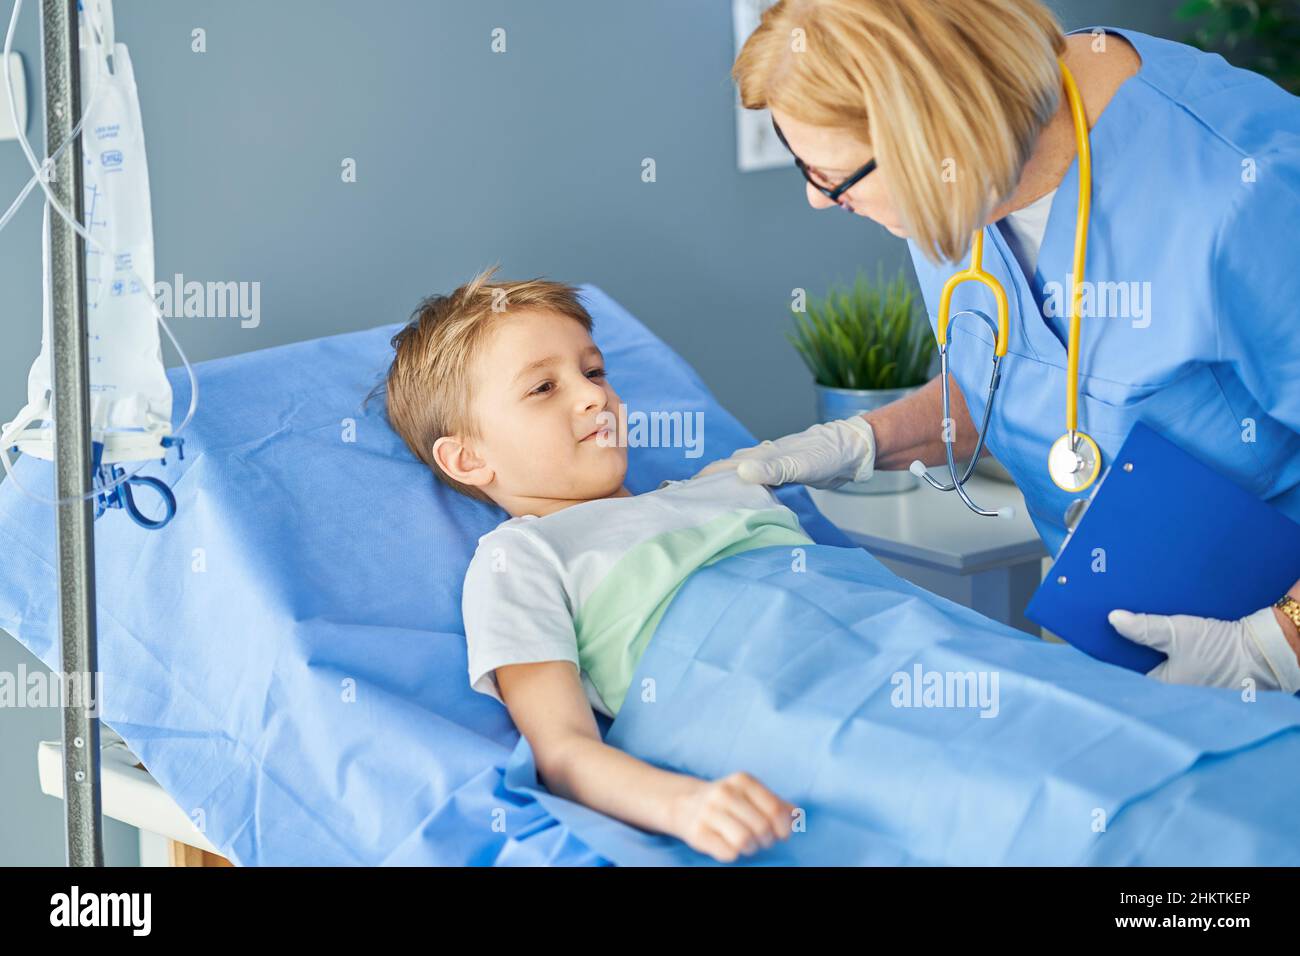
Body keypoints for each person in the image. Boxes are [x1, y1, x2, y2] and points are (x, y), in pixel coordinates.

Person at [703, 0, 1300, 694]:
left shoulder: (1246, 194)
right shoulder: (970, 188)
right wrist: (866, 441)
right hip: (1125, 637)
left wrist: (1273, 643)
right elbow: (1020, 376)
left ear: (942, 134)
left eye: (832, 180)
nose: (816, 198)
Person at [383, 267, 800, 862]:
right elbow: (563, 751)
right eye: (542, 388)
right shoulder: (523, 556)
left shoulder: (726, 489)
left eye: (594, 371)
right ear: (468, 459)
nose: (594, 395)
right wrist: (683, 805)